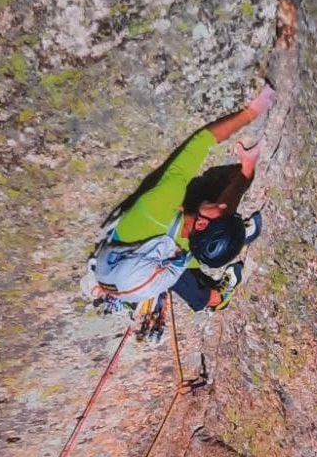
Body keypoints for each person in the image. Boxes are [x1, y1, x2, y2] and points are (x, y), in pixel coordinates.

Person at [108, 82, 276, 311]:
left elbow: (201, 143)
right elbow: (224, 201)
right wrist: (252, 113)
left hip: (133, 256)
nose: (226, 205)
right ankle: (215, 300)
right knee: (180, 277)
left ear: (201, 224)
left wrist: (247, 164)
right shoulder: (168, 218)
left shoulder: (166, 206)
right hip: (134, 260)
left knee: (177, 268)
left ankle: (223, 255)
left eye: (224, 212)